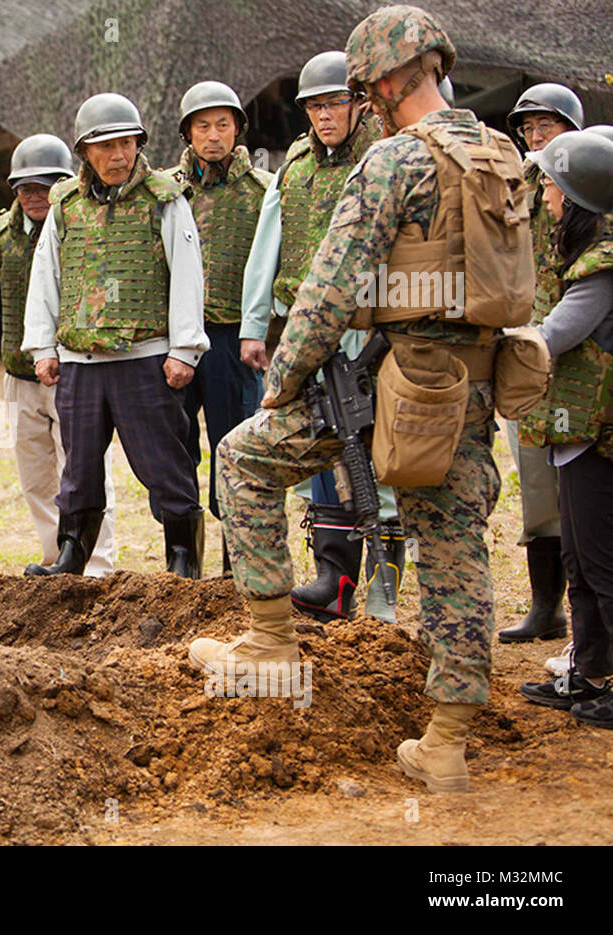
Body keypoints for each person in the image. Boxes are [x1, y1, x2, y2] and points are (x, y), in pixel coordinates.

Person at [190, 4, 534, 793]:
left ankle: (271, 645)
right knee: (455, 550)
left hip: (400, 382)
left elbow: (328, 289)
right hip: (475, 385)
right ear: (437, 65)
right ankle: (446, 742)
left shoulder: (393, 163)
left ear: (379, 83)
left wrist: (281, 384)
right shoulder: (502, 151)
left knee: (243, 458)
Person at [240, 50, 400, 623]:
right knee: (314, 457)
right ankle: (333, 579)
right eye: (314, 106)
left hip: (366, 333)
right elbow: (267, 248)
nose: (324, 115)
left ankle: (384, 589)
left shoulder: (384, 160)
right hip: (303, 332)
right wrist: (255, 326)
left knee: (373, 452)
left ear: (358, 103)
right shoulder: (297, 167)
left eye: (334, 103)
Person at [22, 92, 207, 577]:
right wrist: (42, 346)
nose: (118, 156)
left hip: (145, 358)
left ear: (139, 144)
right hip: (81, 363)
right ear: (84, 151)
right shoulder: (65, 205)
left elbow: (188, 272)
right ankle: (71, 553)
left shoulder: (165, 198)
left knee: (163, 464)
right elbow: (47, 276)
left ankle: (182, 558)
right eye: (105, 147)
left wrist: (185, 348)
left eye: (126, 143)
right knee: (78, 469)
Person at [516, 130, 613, 726]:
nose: (545, 193)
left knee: (602, 563)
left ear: (580, 196)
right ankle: (590, 670)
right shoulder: (579, 258)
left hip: (597, 437)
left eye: (553, 183)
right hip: (574, 434)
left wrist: (489, 342)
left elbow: (550, 335)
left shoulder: (601, 268)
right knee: (580, 559)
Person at [0, 134, 116, 576]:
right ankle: (55, 558)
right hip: (19, 375)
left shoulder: (87, 227)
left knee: (83, 471)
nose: (34, 197)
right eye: (25, 188)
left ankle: (95, 563)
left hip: (73, 372)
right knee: (35, 478)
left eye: (44, 187)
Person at [170, 80, 273, 574]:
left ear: (238, 130)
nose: (214, 136)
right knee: (176, 444)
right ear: (188, 133)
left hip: (235, 338)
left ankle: (239, 558)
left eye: (223, 125)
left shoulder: (262, 192)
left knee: (237, 446)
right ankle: (184, 555)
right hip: (177, 339)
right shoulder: (167, 192)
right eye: (203, 126)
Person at [499, 83, 586, 643]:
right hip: (527, 349)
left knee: (586, 485)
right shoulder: (520, 187)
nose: (535, 136)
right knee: (534, 480)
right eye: (528, 127)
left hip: (583, 354)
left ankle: (591, 623)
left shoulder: (596, 187)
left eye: (546, 124)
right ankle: (546, 607)